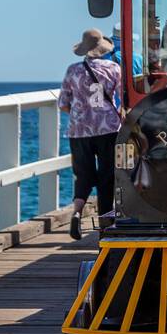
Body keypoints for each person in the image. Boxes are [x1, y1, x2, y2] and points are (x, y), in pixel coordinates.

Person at [59, 28, 122, 240]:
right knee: (107, 176)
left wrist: (80, 114)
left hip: (79, 130)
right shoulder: (114, 68)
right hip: (108, 128)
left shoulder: (72, 70)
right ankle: (105, 224)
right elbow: (122, 99)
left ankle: (77, 211)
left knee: (83, 175)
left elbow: (63, 104)